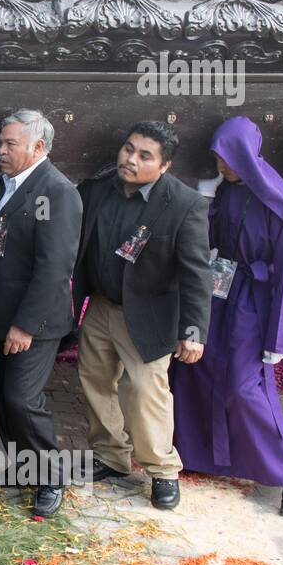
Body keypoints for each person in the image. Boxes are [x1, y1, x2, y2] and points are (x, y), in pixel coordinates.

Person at [170, 117, 283, 514]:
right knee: (196, 369)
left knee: (244, 387)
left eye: (228, 159)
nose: (222, 167)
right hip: (220, 296)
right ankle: (203, 456)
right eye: (218, 159)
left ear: (246, 156)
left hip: (255, 302)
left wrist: (280, 339)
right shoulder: (228, 190)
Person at [73, 121, 213, 510]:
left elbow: (197, 274)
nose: (130, 160)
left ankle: (163, 471)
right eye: (128, 149)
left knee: (147, 393)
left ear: (164, 166)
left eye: (144, 156)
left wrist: (193, 330)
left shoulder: (184, 205)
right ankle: (111, 457)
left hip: (149, 314)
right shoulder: (99, 189)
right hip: (101, 305)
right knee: (95, 382)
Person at [0, 109, 82, 516]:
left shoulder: (56, 192)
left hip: (33, 320)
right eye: (0, 143)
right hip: (0, 311)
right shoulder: (5, 186)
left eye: (10, 144)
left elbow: (53, 268)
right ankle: (21, 466)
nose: (1, 150)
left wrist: (25, 325)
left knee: (22, 399)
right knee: (6, 398)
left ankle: (52, 476)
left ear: (38, 147)